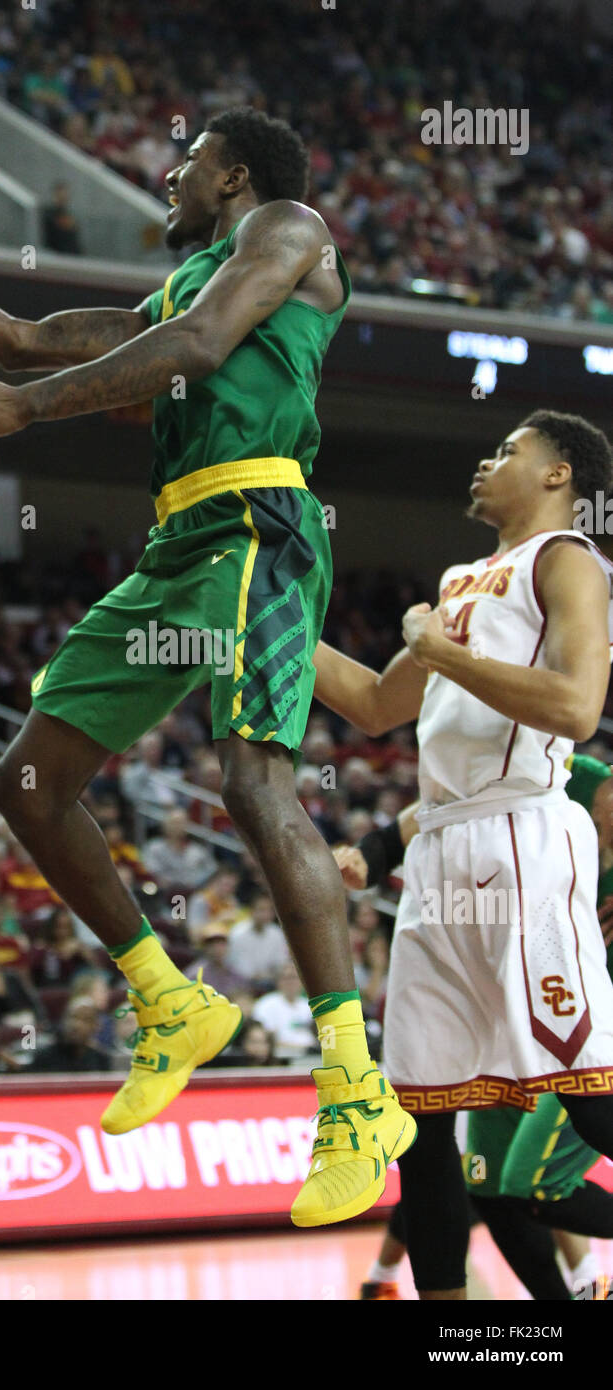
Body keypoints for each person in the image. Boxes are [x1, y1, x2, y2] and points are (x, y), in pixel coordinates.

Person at [0, 105, 412, 1227]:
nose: (171, 179)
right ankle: (168, 997)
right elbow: (21, 339)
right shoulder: (179, 286)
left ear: (233, 174)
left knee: (251, 784)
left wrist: (26, 413)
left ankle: (351, 1085)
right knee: (25, 785)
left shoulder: (289, 230)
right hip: (177, 542)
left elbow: (185, 354)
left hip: (258, 525)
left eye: (186, 165)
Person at [312, 410, 613, 1297]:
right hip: (440, 850)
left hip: (523, 839)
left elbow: (574, 708)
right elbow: (372, 704)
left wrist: (443, 651)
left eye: (507, 451)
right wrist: (268, 634)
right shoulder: (460, 581)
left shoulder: (569, 562)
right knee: (422, 1118)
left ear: (559, 476)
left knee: (590, 1091)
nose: (485, 462)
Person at [252, 960, 317, 1063]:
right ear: (278, 981)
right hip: (279, 1060)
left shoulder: (310, 1005)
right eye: (286, 978)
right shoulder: (266, 1004)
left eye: (295, 978)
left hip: (311, 1058)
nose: (291, 982)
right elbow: (264, 1041)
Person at [226, 891, 290, 990]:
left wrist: (273, 975)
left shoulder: (277, 933)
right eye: (261, 910)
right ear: (251, 911)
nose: (266, 914)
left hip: (272, 983)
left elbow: (280, 964)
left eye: (270, 910)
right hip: (242, 985)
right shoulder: (238, 934)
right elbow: (242, 971)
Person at [31, 997, 114, 1073]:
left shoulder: (101, 1060)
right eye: (72, 1017)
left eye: (85, 1019)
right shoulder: (44, 1057)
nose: (76, 1025)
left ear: (96, 1026)